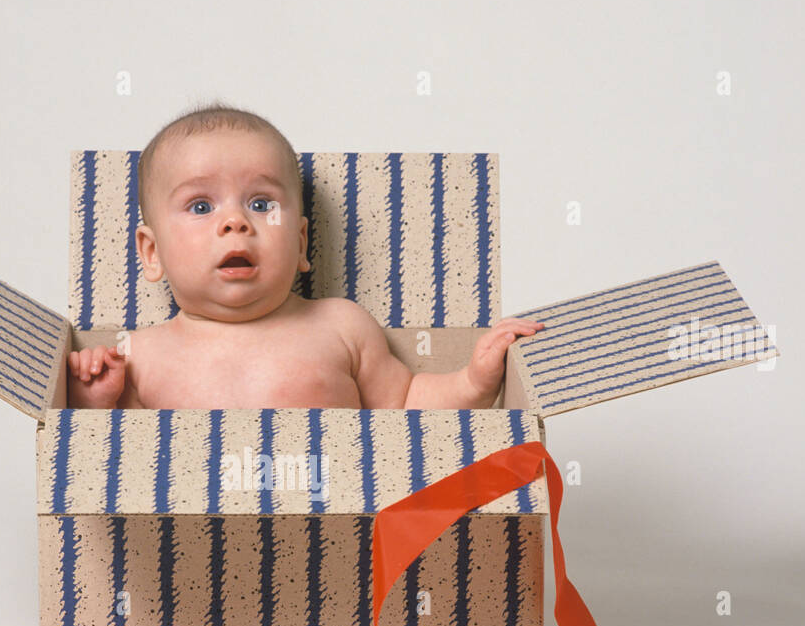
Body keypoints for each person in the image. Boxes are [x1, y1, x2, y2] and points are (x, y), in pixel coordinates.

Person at [67, 103, 543, 409]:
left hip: (339, 529)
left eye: (261, 204)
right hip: (194, 536)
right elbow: (111, 462)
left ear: (299, 243)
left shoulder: (341, 327)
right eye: (200, 206)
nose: (235, 222)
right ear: (152, 253)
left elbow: (406, 405)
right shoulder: (139, 357)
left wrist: (474, 381)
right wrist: (94, 400)